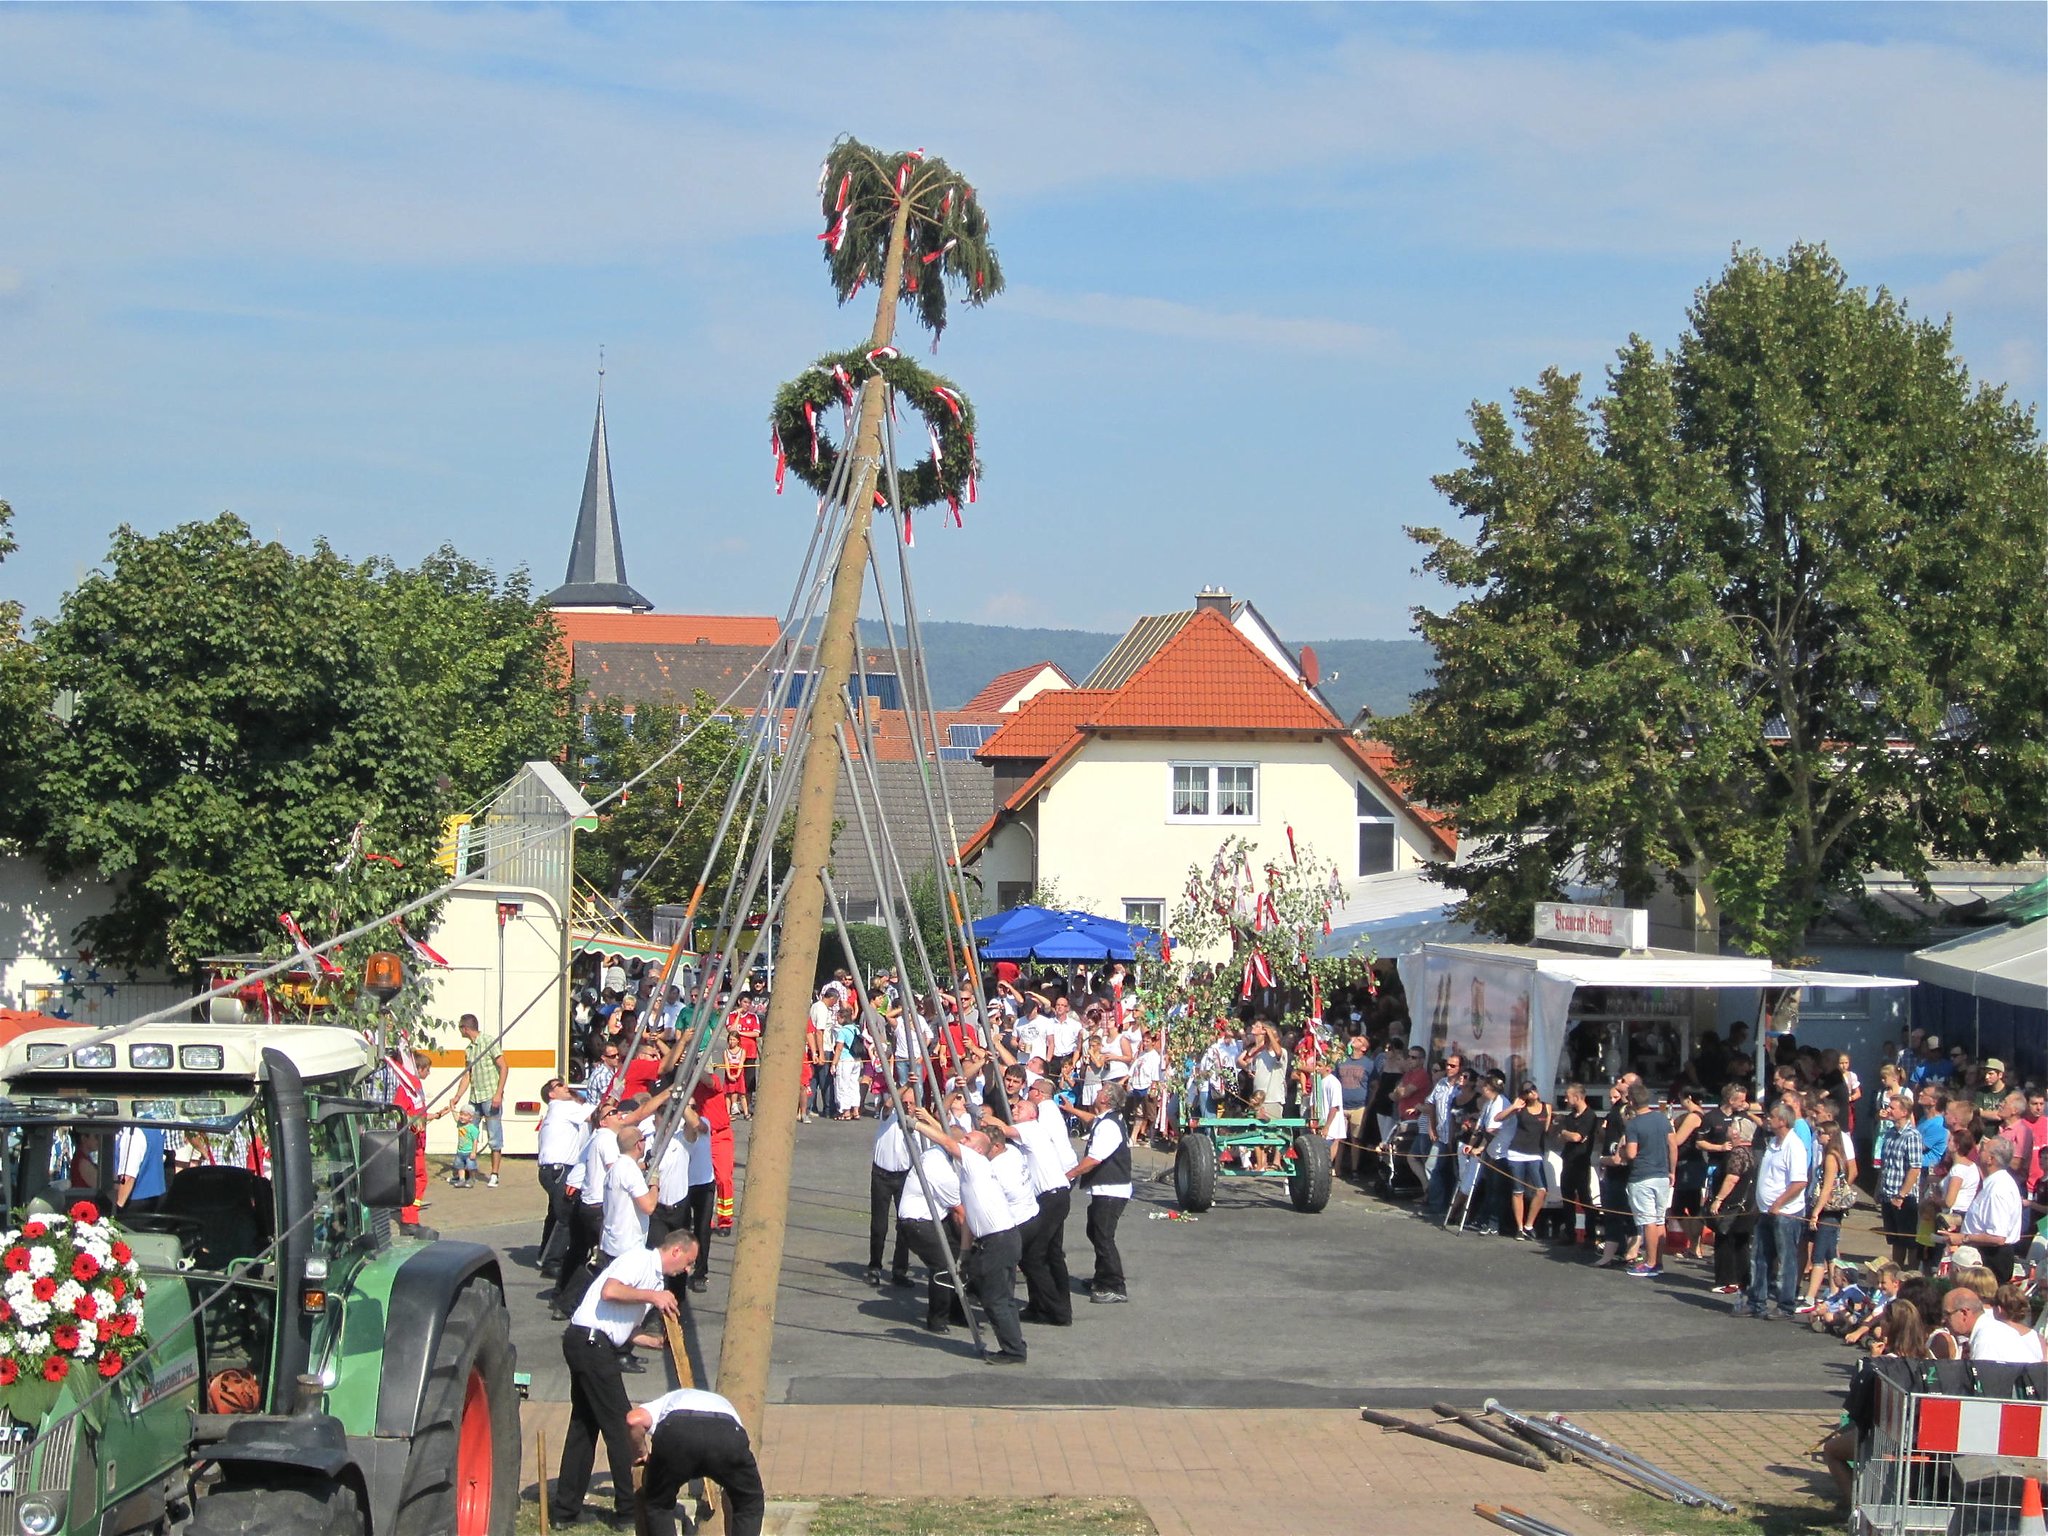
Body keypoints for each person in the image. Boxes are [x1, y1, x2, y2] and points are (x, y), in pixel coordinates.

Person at [548, 1230, 695, 1530]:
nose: (688, 1270)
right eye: (689, 1262)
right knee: (621, 1425)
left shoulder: (654, 1279)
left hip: (592, 1342)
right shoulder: (641, 1260)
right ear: (676, 1251)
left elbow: (623, 1328)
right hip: (589, 1343)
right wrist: (653, 1297)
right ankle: (628, 1508)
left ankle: (565, 1510)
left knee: (584, 1427)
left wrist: (654, 1343)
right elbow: (610, 1291)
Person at [910, 1106, 1029, 1364]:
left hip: (1000, 1240)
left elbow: (947, 1141)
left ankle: (1013, 1350)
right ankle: (1015, 1342)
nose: (962, 1140)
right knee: (1001, 1297)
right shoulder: (968, 1176)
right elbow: (969, 1222)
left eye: (967, 1139)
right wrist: (964, 1254)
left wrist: (917, 1125)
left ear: (976, 1149)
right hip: (998, 1239)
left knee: (994, 1298)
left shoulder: (976, 1162)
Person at [628, 1387, 767, 1536]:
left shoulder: (661, 1404)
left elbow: (634, 1420)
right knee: (748, 1504)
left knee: (659, 1504)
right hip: (726, 1434)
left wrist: (641, 1453)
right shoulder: (722, 1404)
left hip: (678, 1434)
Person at [1012, 1077, 1077, 1327]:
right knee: (1051, 1252)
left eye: (1021, 1104)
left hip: (1052, 1194)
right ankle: (1043, 1305)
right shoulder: (1041, 1118)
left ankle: (1057, 1310)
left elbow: (1005, 1129)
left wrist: (980, 1115)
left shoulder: (1035, 1122)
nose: (1016, 1107)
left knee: (1034, 1255)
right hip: (1053, 1191)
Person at [1067, 1081, 1132, 1304]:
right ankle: (1102, 1277)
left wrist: (1070, 1174)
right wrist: (1071, 1109)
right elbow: (1092, 1121)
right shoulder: (1107, 1120)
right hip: (1107, 1189)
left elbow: (1094, 1159)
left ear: (1105, 1099)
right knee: (1094, 1231)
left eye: (1100, 1092)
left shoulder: (1108, 1126)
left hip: (1111, 1189)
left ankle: (1115, 1285)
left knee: (1103, 1236)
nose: (1096, 1094)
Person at [1744, 1103, 1811, 1319]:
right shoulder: (1773, 1142)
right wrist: (1758, 1202)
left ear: (1783, 1121)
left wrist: (1779, 1203)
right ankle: (1756, 1301)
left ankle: (1785, 1305)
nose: (1767, 1120)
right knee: (1759, 1257)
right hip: (1765, 1210)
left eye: (1771, 1117)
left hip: (1785, 1213)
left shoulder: (1794, 1146)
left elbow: (1799, 1182)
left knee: (1785, 1260)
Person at [1945, 1135, 2026, 1284]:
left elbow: (1997, 1237)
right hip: (1986, 1254)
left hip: (1991, 1259)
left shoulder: (1998, 1189)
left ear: (1991, 1159)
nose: (1978, 1150)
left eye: (1983, 1149)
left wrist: (1963, 1238)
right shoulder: (1994, 1183)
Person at [1622, 1081, 1677, 1277]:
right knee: (1660, 1220)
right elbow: (1673, 1145)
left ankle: (1650, 1262)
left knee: (1648, 1221)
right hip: (1662, 1176)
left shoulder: (1633, 1124)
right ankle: (1658, 1261)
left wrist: (1619, 1149)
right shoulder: (1662, 1119)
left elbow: (1630, 1154)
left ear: (1631, 1101)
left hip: (1642, 1176)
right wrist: (1672, 1171)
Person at [867, 1088, 916, 1287]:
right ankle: (874, 1266)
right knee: (879, 1225)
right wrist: (904, 1088)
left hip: (904, 1177)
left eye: (911, 1103)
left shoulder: (917, 1123)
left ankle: (899, 1270)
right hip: (882, 1175)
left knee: (905, 1226)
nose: (907, 1106)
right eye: (904, 1102)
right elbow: (887, 1105)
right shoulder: (888, 1117)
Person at [453, 1014, 507, 1188]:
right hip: (475, 1097)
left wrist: (498, 1093)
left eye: (460, 1027)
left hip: (490, 1096)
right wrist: (457, 1096)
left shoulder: (488, 1041)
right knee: (467, 1132)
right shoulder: (468, 1050)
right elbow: (467, 1075)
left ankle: (494, 1174)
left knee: (494, 1137)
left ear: (465, 1028)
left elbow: (504, 1067)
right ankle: (467, 1175)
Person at [1875, 1088, 1924, 1270]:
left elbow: (1915, 1167)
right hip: (1888, 1193)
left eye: (1892, 1108)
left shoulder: (1912, 1136)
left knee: (1908, 1239)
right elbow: (1886, 1165)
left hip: (1905, 1197)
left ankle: (1910, 1273)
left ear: (1904, 1112)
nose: (1888, 1110)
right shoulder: (1889, 1134)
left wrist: (1901, 1195)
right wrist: (1879, 1189)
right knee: (1895, 1239)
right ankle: (1895, 1270)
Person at [1947, 1285, 2042, 1364]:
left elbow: (1984, 1383)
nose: (1943, 1320)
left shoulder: (1985, 1339)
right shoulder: (1990, 1330)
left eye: (1947, 1314)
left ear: (1964, 1313)